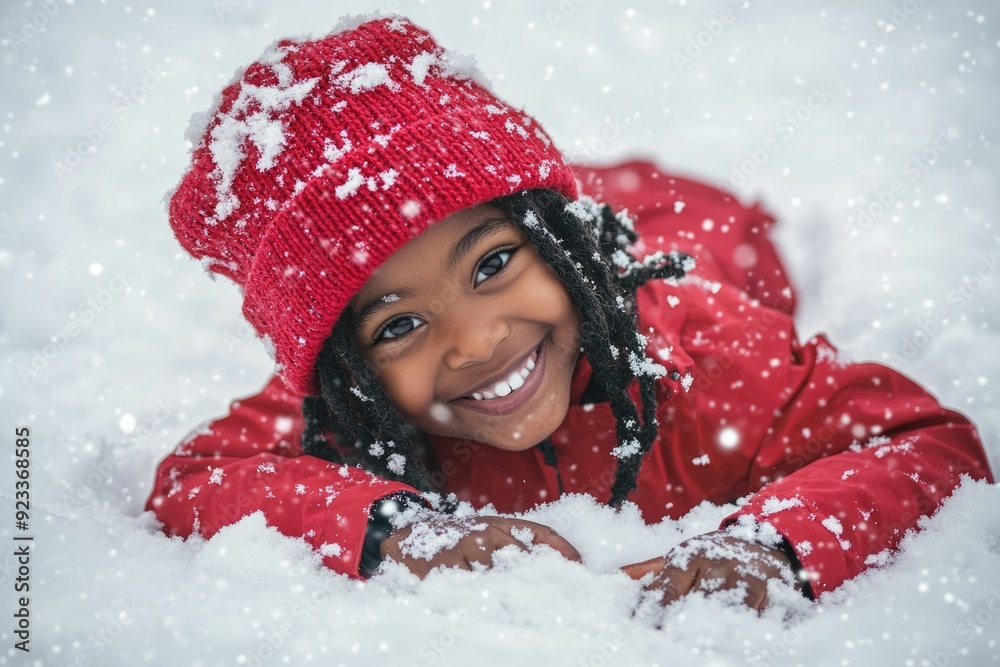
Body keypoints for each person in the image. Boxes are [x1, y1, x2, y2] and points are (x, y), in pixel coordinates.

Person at [146, 15, 993, 610]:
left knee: (707, 230)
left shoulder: (703, 351)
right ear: (347, 369)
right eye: (397, 325)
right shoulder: (350, 409)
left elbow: (929, 442)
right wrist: (396, 529)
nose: (477, 339)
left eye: (492, 264)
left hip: (687, 235)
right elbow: (197, 478)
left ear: (559, 244)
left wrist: (771, 542)